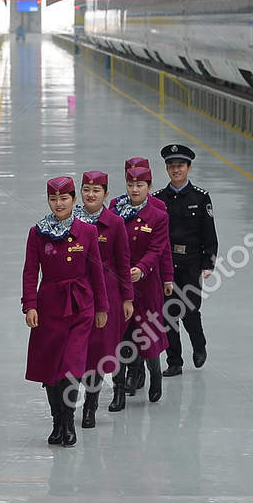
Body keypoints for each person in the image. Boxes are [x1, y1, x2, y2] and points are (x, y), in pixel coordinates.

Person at [21, 176, 109, 447]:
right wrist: (30, 305)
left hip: (81, 306)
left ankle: (69, 421)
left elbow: (96, 272)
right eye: (53, 199)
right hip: (49, 307)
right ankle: (57, 419)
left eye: (64, 198)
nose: (59, 204)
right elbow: (29, 272)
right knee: (51, 369)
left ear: (73, 200)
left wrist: (102, 307)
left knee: (71, 367)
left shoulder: (87, 231)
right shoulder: (37, 232)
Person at [73, 170, 134, 424]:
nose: (90, 195)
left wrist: (127, 297)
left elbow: (123, 262)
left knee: (98, 351)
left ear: (106, 194)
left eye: (96, 190)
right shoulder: (70, 220)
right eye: (86, 189)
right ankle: (67, 405)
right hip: (76, 293)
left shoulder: (115, 223)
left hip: (106, 294)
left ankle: (90, 404)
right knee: (76, 349)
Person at [154, 142, 218, 375]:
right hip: (166, 263)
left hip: (191, 262)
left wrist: (208, 263)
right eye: (171, 166)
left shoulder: (200, 198)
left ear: (189, 168)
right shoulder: (159, 199)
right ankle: (174, 361)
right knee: (168, 313)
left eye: (180, 165)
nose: (176, 170)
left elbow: (209, 233)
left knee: (190, 310)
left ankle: (199, 346)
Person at [112, 157, 172, 404]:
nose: (135, 189)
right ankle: (121, 385)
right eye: (130, 183)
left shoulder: (158, 211)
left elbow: (161, 249)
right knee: (121, 333)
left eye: (140, 184)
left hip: (147, 284)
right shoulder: (115, 208)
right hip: (120, 282)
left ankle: (154, 374)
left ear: (149, 184)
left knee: (148, 331)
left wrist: (163, 275)